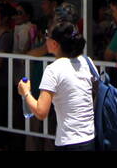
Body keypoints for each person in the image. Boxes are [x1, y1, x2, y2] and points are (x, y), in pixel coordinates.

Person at [17, 21, 96, 150]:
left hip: (68, 141)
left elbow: (41, 112)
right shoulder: (86, 61)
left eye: (47, 35)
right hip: (90, 137)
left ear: (54, 44)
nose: (45, 39)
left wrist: (26, 92)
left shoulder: (53, 69)